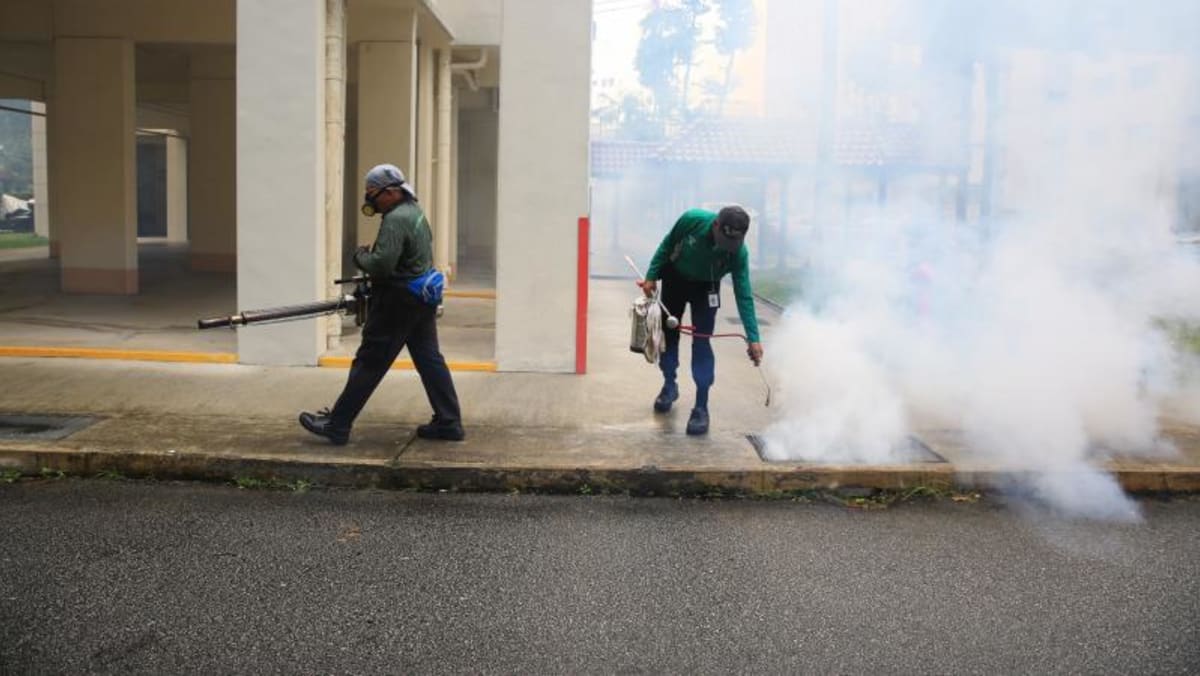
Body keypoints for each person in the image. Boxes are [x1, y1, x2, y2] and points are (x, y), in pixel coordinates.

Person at [299, 163, 464, 445]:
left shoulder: (395, 218)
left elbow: (382, 265)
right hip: (420, 298)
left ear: (391, 192)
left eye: (372, 192)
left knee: (369, 362)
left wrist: (360, 256)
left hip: (396, 301)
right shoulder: (415, 213)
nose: (369, 199)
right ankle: (449, 422)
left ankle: (337, 425)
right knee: (429, 359)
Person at [637, 206, 764, 435]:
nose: (724, 247)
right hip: (676, 279)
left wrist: (753, 338)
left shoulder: (738, 253)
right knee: (668, 337)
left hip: (707, 289)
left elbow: (743, 294)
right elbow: (667, 245)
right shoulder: (692, 220)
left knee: (702, 343)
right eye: (723, 240)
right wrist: (651, 276)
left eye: (732, 244)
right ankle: (669, 384)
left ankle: (701, 406)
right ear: (716, 225)